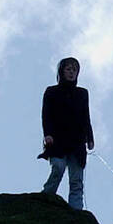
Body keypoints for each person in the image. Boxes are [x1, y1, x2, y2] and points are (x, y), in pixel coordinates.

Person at [38, 57, 94, 209]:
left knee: (76, 179)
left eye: (74, 70)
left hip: (77, 141)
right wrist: (47, 134)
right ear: (61, 71)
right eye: (68, 69)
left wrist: (90, 138)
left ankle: (76, 210)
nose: (71, 72)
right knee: (58, 167)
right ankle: (46, 197)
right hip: (57, 139)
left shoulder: (82, 93)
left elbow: (85, 116)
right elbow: (46, 115)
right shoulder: (51, 92)